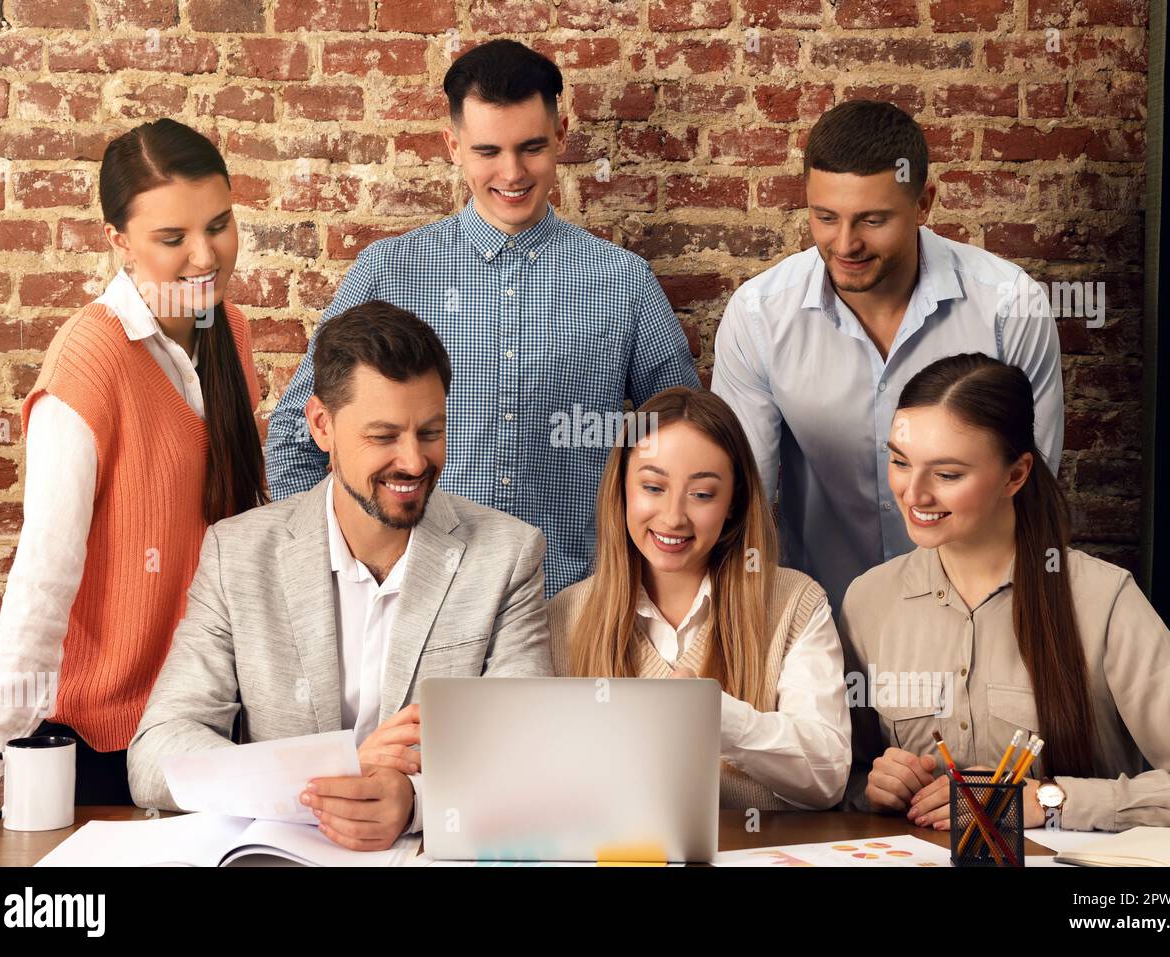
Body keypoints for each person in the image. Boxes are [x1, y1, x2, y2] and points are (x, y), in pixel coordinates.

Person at [264, 38, 699, 598]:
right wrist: (334, 580)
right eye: (488, 150)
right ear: (453, 146)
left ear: (561, 135)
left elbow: (681, 444)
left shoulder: (624, 283)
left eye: (532, 147)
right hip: (416, 605)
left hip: (569, 604)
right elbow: (298, 434)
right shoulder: (387, 273)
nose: (512, 172)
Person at [128, 302, 552, 851]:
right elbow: (157, 755)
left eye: (430, 432)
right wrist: (337, 771)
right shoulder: (239, 554)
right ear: (322, 426)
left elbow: (531, 758)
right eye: (383, 436)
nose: (414, 462)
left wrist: (417, 800)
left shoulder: (508, 554)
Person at [0, 119, 265, 809]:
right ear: (117, 241)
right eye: (172, 238)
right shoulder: (88, 361)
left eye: (218, 224)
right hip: (103, 745)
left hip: (210, 727)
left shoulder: (230, 333)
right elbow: (44, 575)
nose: (205, 254)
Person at [839, 353, 1170, 835]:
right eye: (899, 462)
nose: (912, 494)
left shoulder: (1103, 600)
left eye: (947, 474)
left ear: (1015, 475)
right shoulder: (869, 599)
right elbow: (839, 776)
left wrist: (1048, 802)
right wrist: (872, 787)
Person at [712, 100, 1064, 612]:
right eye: (825, 217)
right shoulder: (760, 315)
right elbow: (743, 503)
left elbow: (1031, 495)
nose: (845, 243)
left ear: (924, 203)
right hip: (820, 620)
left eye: (872, 220)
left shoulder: (1010, 307)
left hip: (978, 612)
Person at [548, 387, 851, 810]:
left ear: (733, 502)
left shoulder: (794, 602)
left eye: (703, 494)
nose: (673, 516)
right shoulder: (565, 615)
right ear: (622, 490)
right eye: (653, 487)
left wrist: (714, 716)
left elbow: (826, 778)